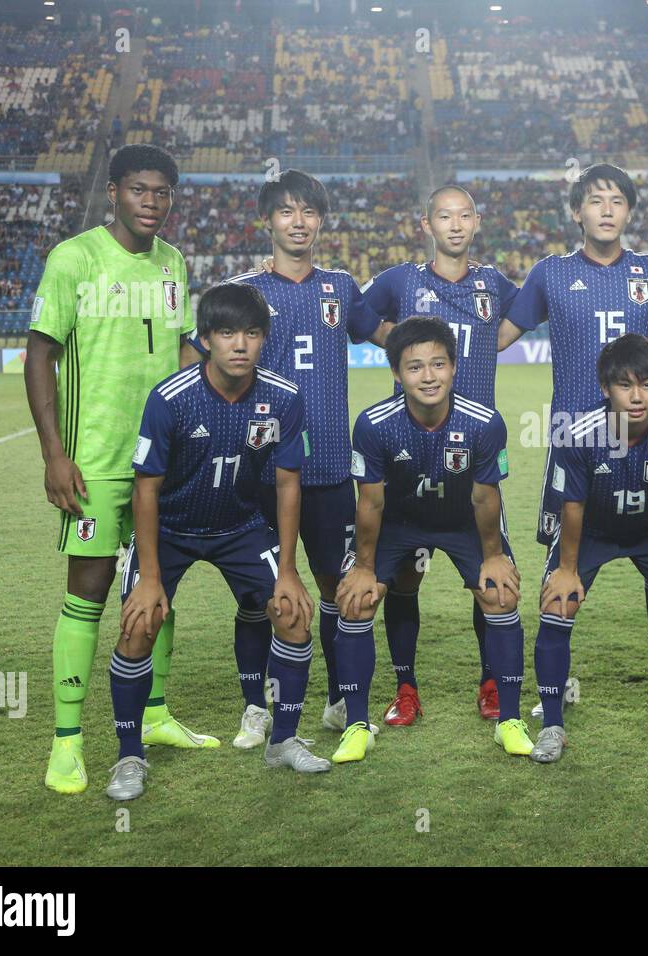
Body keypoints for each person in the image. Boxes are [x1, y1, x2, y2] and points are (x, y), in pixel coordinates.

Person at [25, 143, 213, 796]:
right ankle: (67, 744)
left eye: (162, 193)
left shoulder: (174, 263)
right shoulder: (73, 259)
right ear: (114, 192)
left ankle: (155, 714)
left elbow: (186, 345)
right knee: (89, 593)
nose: (152, 203)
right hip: (96, 463)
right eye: (140, 190)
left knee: (156, 587)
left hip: (161, 464)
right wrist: (55, 452)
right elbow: (40, 354)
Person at [110, 282, 323, 800]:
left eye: (251, 333)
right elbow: (146, 489)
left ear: (263, 338)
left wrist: (290, 570)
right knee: (140, 623)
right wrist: (151, 578)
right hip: (170, 531)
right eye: (226, 333)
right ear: (205, 338)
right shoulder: (170, 399)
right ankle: (129, 757)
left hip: (243, 527)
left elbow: (288, 482)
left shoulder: (284, 397)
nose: (240, 344)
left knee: (293, 613)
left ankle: (284, 740)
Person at [501, 163, 648, 719]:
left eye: (617, 201)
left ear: (629, 211)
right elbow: (503, 334)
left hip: (641, 444)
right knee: (565, 571)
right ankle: (556, 688)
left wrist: (639, 361)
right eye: (595, 200)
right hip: (572, 444)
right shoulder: (550, 273)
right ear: (577, 211)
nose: (607, 210)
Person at [208, 169, 385, 747]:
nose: (299, 221)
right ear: (268, 221)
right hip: (260, 472)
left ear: (321, 221)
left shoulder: (340, 285)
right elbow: (200, 366)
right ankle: (256, 707)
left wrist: (449, 330)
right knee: (261, 594)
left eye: (308, 211)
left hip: (331, 467)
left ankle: (339, 702)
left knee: (337, 590)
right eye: (286, 211)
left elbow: (384, 332)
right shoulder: (243, 292)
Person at [333, 317, 531, 763]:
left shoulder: (484, 423)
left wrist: (494, 557)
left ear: (454, 367)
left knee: (499, 594)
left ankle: (509, 718)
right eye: (416, 367)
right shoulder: (374, 424)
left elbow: (484, 498)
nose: (428, 376)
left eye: (438, 364)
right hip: (399, 523)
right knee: (357, 600)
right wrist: (364, 568)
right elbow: (370, 505)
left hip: (462, 520)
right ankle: (361, 721)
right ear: (398, 374)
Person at [361, 184, 519, 724]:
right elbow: (355, 313)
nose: (455, 225)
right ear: (425, 224)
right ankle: (405, 688)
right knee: (404, 577)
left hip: (472, 455)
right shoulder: (402, 280)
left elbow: (525, 317)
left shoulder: (493, 283)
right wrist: (399, 340)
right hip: (410, 453)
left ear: (477, 222)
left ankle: (492, 684)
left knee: (490, 584)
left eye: (465, 216)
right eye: (443, 217)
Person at [533, 334, 648, 762]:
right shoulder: (578, 433)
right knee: (559, 602)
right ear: (605, 388)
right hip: (590, 531)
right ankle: (552, 724)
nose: (637, 396)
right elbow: (572, 507)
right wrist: (567, 569)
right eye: (626, 386)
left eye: (647, 384)